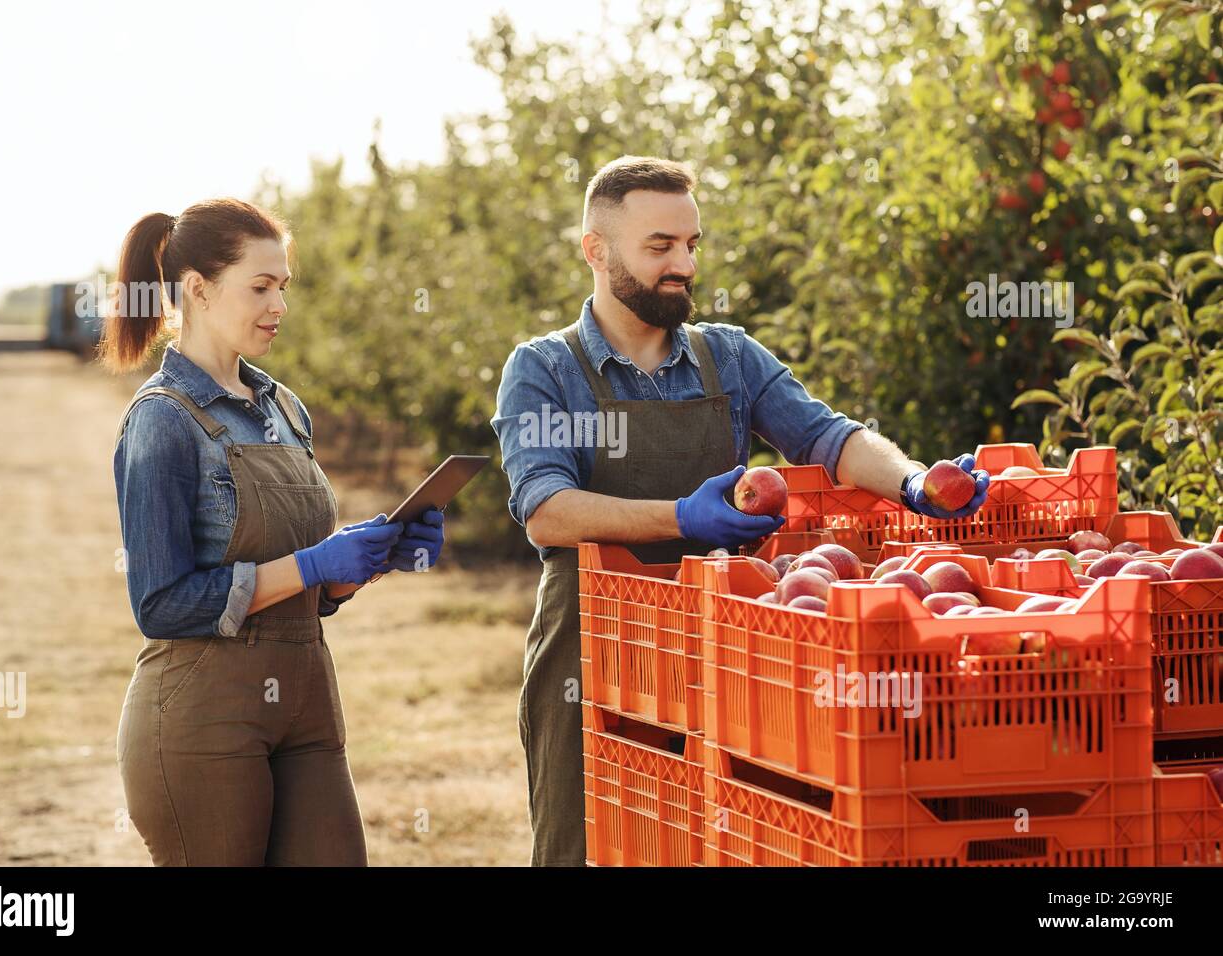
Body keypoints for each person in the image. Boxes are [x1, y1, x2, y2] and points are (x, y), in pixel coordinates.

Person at [490, 156, 989, 866]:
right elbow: (547, 510)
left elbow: (828, 437)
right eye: (660, 246)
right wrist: (682, 519)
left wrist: (912, 482)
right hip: (595, 650)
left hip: (725, 649)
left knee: (721, 842)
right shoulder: (545, 369)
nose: (684, 265)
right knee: (585, 844)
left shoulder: (727, 356)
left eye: (691, 245)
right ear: (595, 250)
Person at [103, 198, 445, 866]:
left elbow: (305, 593)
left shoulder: (285, 409)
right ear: (198, 289)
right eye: (260, 287)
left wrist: (368, 561)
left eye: (283, 287)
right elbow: (160, 604)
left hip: (307, 703)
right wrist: (314, 564)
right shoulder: (162, 420)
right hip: (203, 715)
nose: (279, 305)